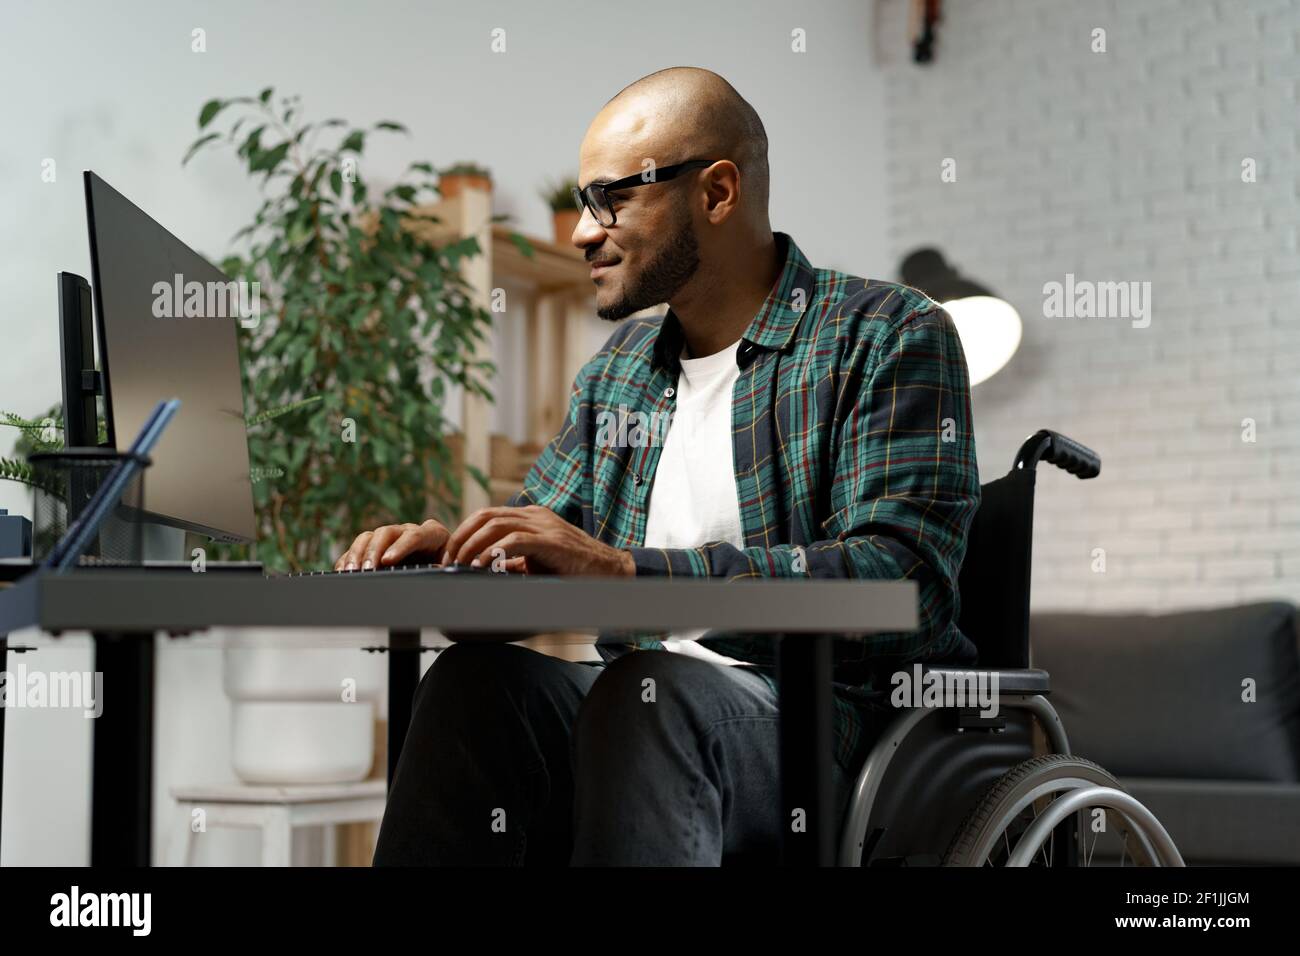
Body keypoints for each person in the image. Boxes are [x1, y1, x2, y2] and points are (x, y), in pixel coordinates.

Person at [338, 66, 981, 865]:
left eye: (612, 198)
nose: (581, 232)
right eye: (581, 203)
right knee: (475, 687)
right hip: (639, 718)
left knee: (646, 695)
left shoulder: (885, 332)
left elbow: (902, 581)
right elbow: (547, 549)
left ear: (716, 194)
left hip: (831, 728)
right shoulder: (621, 372)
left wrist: (627, 571)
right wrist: (457, 562)